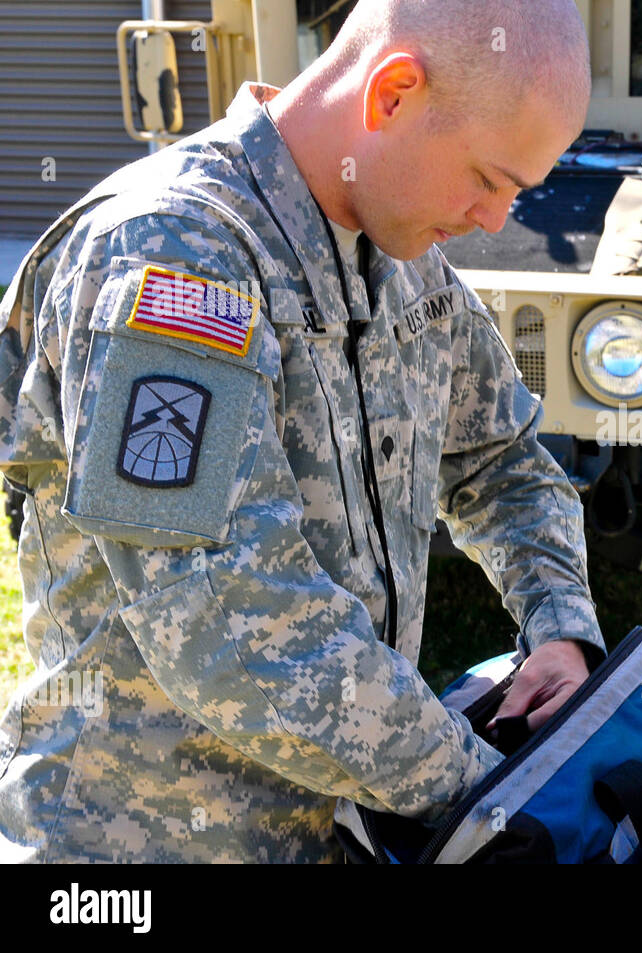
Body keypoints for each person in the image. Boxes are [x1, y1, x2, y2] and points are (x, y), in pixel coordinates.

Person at [0, 0, 604, 862]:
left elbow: (504, 461)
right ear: (393, 92)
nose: (496, 217)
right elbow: (233, 623)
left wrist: (560, 630)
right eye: (488, 176)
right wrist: (481, 793)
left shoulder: (399, 261)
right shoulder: (174, 257)